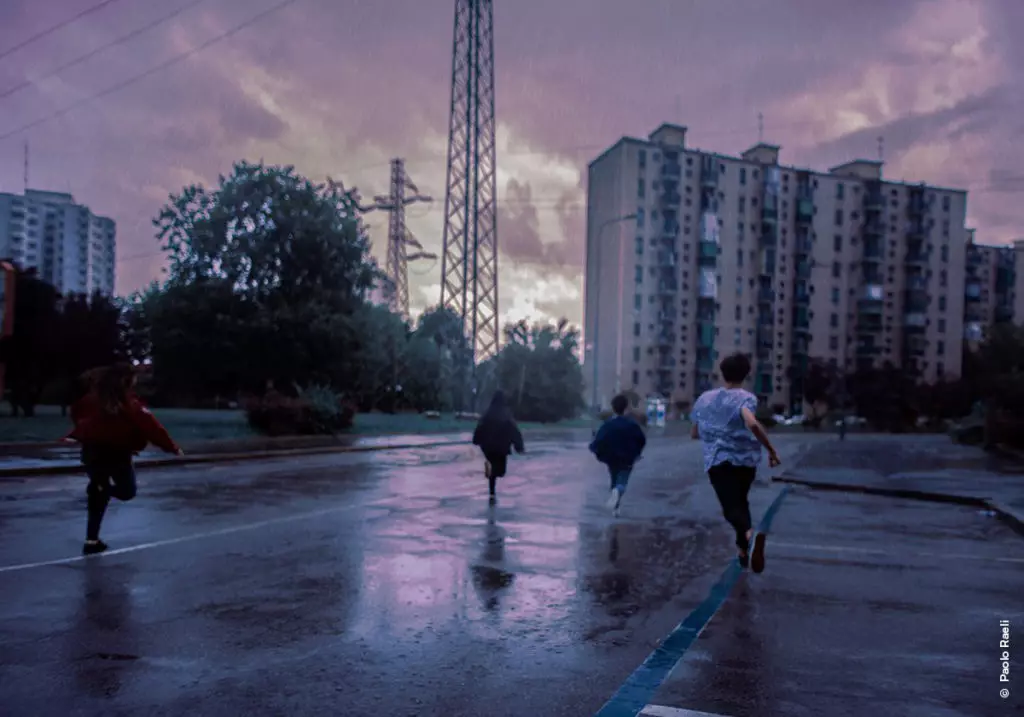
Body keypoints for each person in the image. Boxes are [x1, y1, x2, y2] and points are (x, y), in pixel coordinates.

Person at [66, 364, 183, 555]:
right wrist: (173, 447)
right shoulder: (130, 403)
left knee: (101, 493)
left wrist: (85, 430)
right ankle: (92, 539)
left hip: (93, 452)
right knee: (127, 491)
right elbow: (152, 427)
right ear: (126, 380)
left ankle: (94, 520)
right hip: (116, 454)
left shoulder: (91, 400)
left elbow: (76, 413)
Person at [691, 353, 781, 573]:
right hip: (746, 461)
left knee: (730, 507)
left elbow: (694, 432)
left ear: (722, 373)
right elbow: (752, 424)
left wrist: (712, 433)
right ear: (746, 374)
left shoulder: (705, 399)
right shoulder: (745, 397)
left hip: (718, 460)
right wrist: (771, 450)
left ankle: (749, 535)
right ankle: (743, 551)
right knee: (741, 501)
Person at [589, 394, 646, 517]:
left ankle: (616, 508)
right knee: (622, 481)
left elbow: (599, 441)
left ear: (613, 408)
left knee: (614, 478)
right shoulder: (632, 425)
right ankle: (617, 494)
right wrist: (637, 453)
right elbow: (641, 439)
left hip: (611, 458)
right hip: (627, 458)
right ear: (626, 407)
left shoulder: (608, 425)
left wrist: (596, 450)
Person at [472, 390, 524, 502]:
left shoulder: (487, 414)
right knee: (500, 471)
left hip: (487, 447)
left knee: (492, 468)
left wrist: (476, 440)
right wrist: (519, 446)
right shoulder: (506, 414)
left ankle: (492, 490)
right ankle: (492, 472)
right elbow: (514, 431)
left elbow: (479, 427)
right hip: (501, 447)